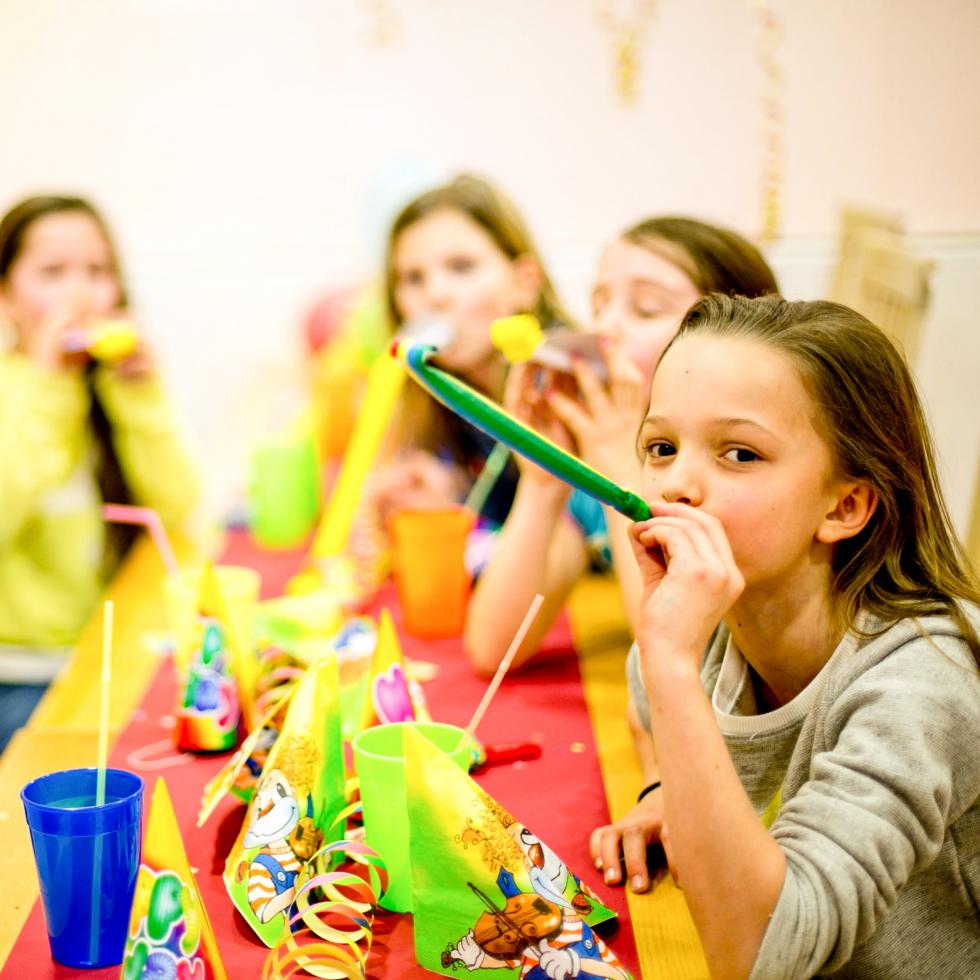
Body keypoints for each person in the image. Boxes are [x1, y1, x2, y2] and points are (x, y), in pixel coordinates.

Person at [590, 294, 979, 978]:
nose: (676, 484)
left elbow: (760, 956)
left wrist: (671, 665)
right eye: (660, 447)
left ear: (845, 504)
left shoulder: (919, 686)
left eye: (738, 454)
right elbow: (643, 705)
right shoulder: (720, 627)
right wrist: (662, 794)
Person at [465, 218, 777, 674]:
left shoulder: (736, 481)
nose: (605, 328)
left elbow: (690, 667)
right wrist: (543, 480)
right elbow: (494, 648)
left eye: (646, 309)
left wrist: (618, 472)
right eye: (600, 304)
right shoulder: (600, 455)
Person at [0, 195, 199, 750]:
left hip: (116, 654)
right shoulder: (16, 390)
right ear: (6, 296)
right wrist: (47, 379)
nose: (80, 293)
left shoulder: (112, 386)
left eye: (97, 271)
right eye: (52, 273)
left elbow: (176, 510)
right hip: (20, 674)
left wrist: (141, 397)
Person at [364, 173, 575, 530]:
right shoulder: (437, 398)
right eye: (414, 278)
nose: (435, 293)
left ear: (525, 282)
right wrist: (450, 495)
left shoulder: (567, 386)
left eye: (462, 267)